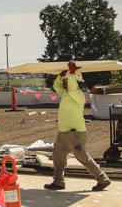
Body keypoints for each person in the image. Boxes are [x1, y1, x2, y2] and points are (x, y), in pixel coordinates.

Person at [45, 60, 111, 191]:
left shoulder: (78, 95)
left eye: (67, 81)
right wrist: (60, 76)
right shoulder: (66, 94)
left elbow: (73, 87)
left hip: (75, 133)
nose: (65, 83)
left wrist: (71, 74)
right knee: (58, 156)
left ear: (74, 82)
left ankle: (102, 179)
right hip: (64, 132)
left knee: (82, 156)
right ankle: (58, 182)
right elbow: (57, 86)